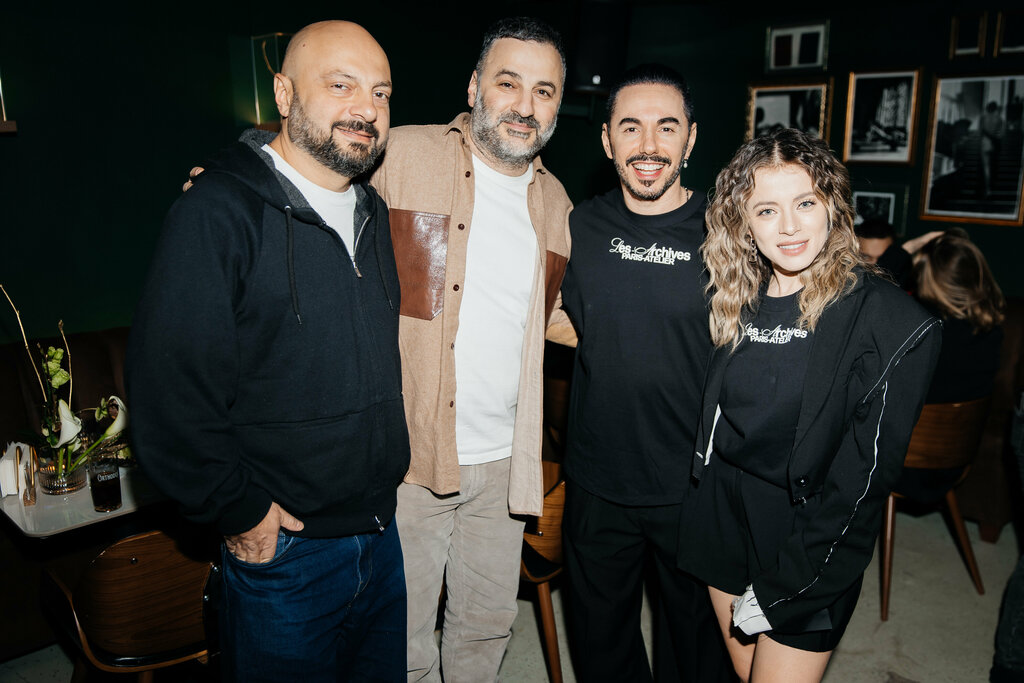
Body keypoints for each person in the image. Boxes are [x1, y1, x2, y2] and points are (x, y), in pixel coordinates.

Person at [126, 21, 410, 682]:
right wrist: (239, 509)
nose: (366, 108)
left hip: (381, 537)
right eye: (340, 85)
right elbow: (168, 393)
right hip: (285, 554)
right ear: (283, 94)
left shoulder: (373, 213)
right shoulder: (217, 211)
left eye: (380, 92)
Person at [679, 128, 941, 683]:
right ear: (743, 223)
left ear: (832, 206)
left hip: (811, 539)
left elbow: (862, 485)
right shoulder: (732, 295)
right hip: (722, 520)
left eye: (805, 203)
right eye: (766, 210)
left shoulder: (888, 321)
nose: (790, 227)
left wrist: (796, 581)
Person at [371, 18, 572, 681]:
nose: (525, 105)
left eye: (544, 91)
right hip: (411, 459)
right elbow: (310, 182)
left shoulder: (557, 204)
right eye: (508, 83)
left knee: (485, 631)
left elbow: (558, 317)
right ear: (474, 86)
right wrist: (238, 170)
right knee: (402, 643)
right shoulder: (400, 155)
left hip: (505, 468)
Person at [555, 64, 732, 682]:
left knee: (698, 651)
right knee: (601, 646)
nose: (648, 145)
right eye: (630, 127)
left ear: (691, 138)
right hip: (596, 479)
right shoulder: (578, 227)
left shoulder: (728, 233)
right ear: (607, 140)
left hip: (694, 483)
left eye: (667, 127)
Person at [892, 232, 1005, 502]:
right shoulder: (992, 330)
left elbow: (867, 292)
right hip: (954, 464)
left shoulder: (920, 325)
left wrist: (907, 249)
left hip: (899, 466)